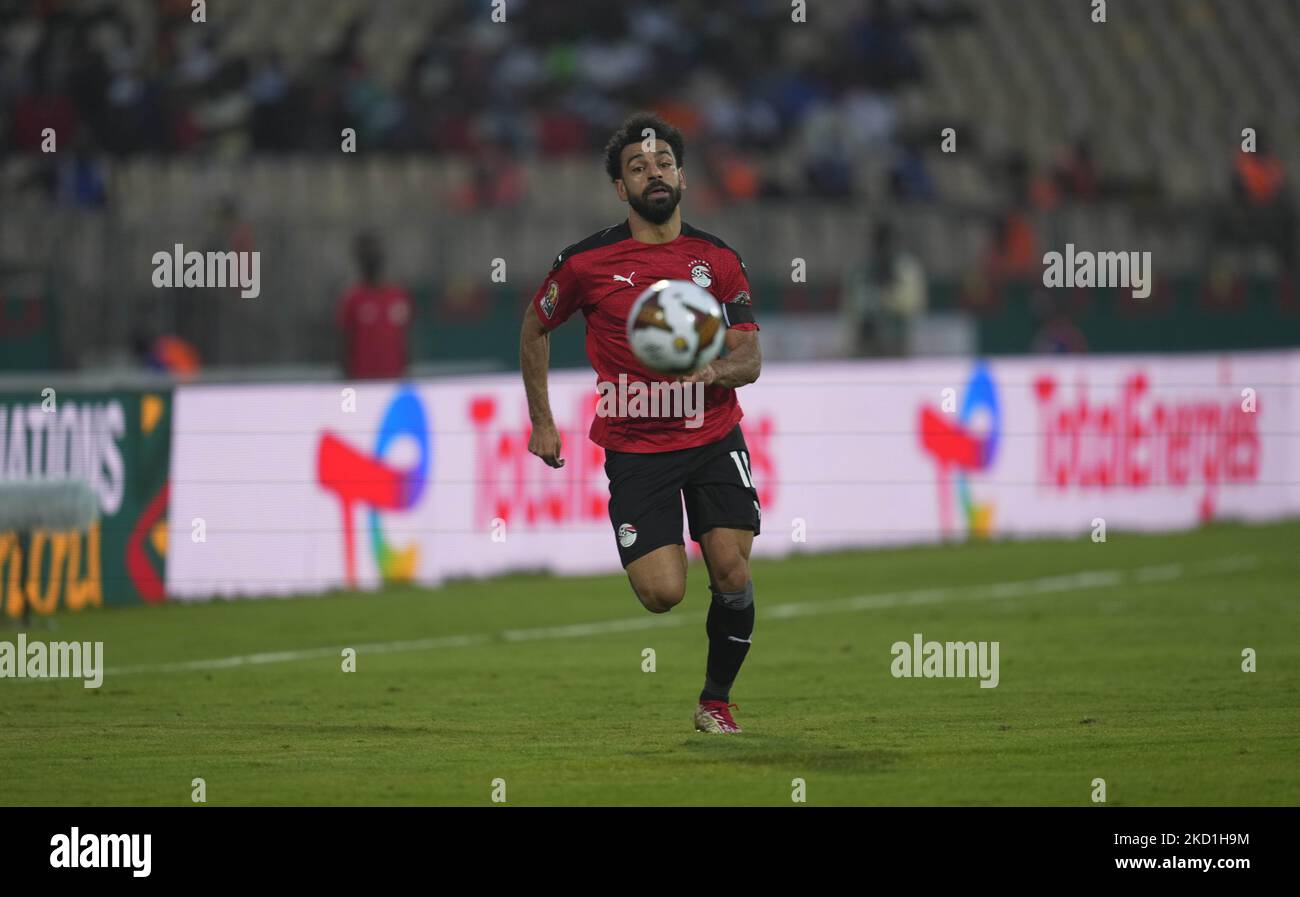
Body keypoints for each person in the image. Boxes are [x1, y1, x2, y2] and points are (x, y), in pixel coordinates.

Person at [520, 112, 762, 734]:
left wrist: (711, 374)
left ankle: (716, 702)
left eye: (662, 164)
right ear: (620, 190)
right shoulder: (584, 264)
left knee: (732, 571)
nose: (653, 173)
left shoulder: (718, 260)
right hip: (636, 445)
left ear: (681, 175)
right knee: (663, 594)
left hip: (712, 435)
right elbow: (535, 326)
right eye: (637, 167)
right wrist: (542, 421)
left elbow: (750, 358)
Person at [336, 232, 413, 380]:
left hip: (393, 379)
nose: (372, 260)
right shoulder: (353, 299)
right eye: (367, 256)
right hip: (362, 381)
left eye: (375, 254)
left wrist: (405, 371)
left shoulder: (398, 297)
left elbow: (406, 340)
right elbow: (345, 342)